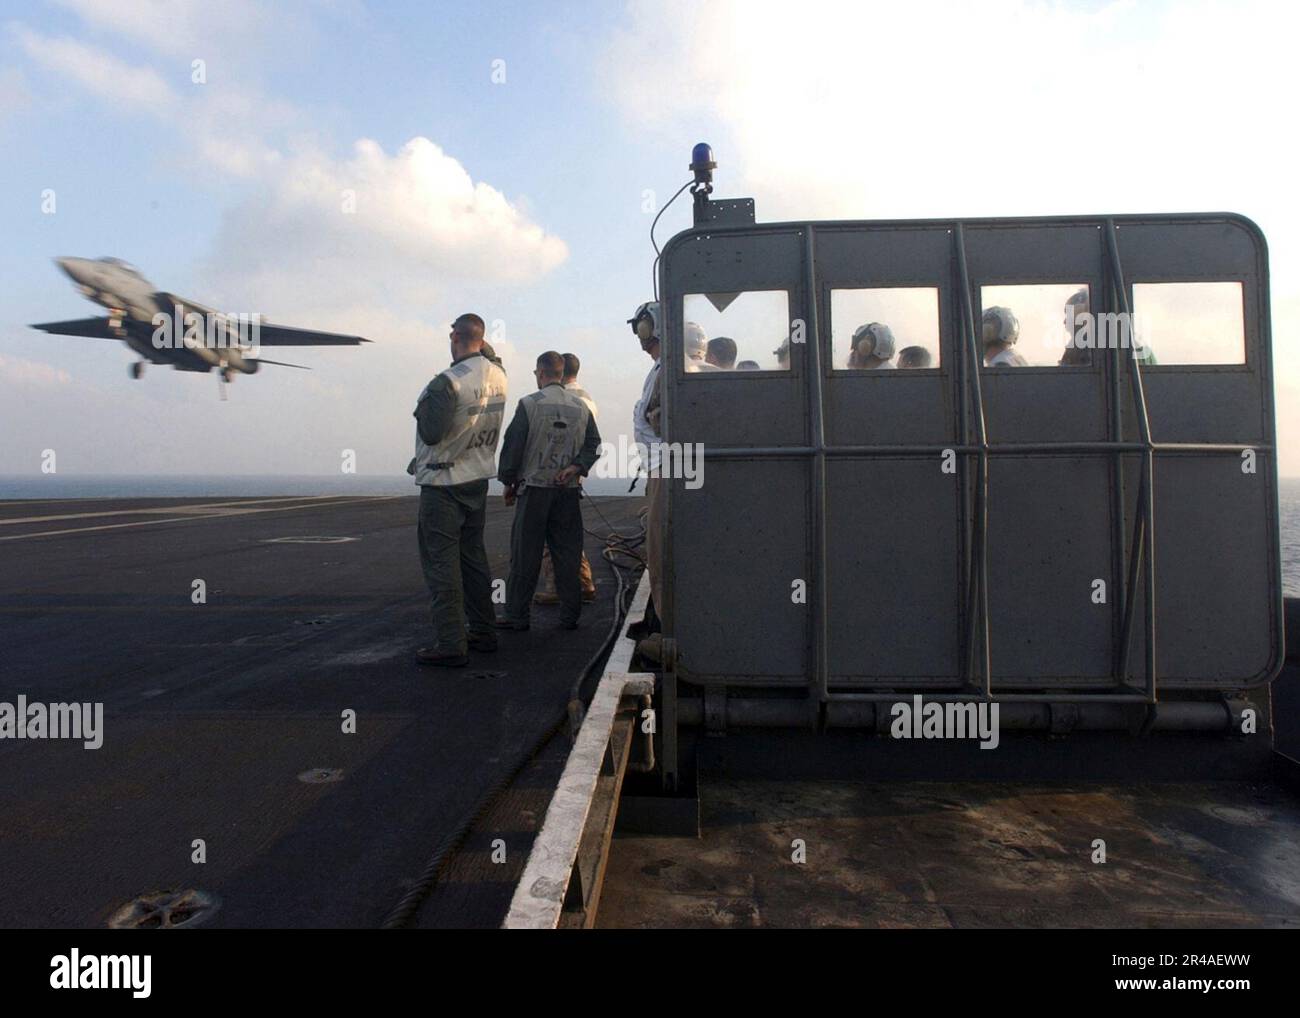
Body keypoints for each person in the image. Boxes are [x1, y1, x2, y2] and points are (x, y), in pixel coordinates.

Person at [409, 313, 508, 667]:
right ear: (481, 340)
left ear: (454, 336)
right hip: (476, 479)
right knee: (473, 559)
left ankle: (451, 641)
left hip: (443, 484)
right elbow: (491, 356)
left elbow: (432, 434)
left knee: (442, 565)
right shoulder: (498, 376)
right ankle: (483, 630)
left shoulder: (446, 383)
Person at [497, 351, 602, 631]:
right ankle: (570, 617)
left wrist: (508, 481)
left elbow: (513, 447)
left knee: (525, 556)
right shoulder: (581, 406)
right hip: (567, 490)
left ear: (541, 373)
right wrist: (577, 467)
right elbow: (594, 444)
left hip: (534, 491)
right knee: (568, 555)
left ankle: (518, 617)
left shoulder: (529, 404)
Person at [535, 353, 598, 605]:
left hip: (555, 472)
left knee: (552, 534)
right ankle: (583, 583)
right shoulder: (586, 398)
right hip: (574, 471)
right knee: (568, 533)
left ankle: (555, 587)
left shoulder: (564, 399)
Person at [630, 302, 666, 615]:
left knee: (660, 548)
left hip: (668, 467)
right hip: (662, 466)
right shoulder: (659, 369)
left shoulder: (667, 369)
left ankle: (670, 627)